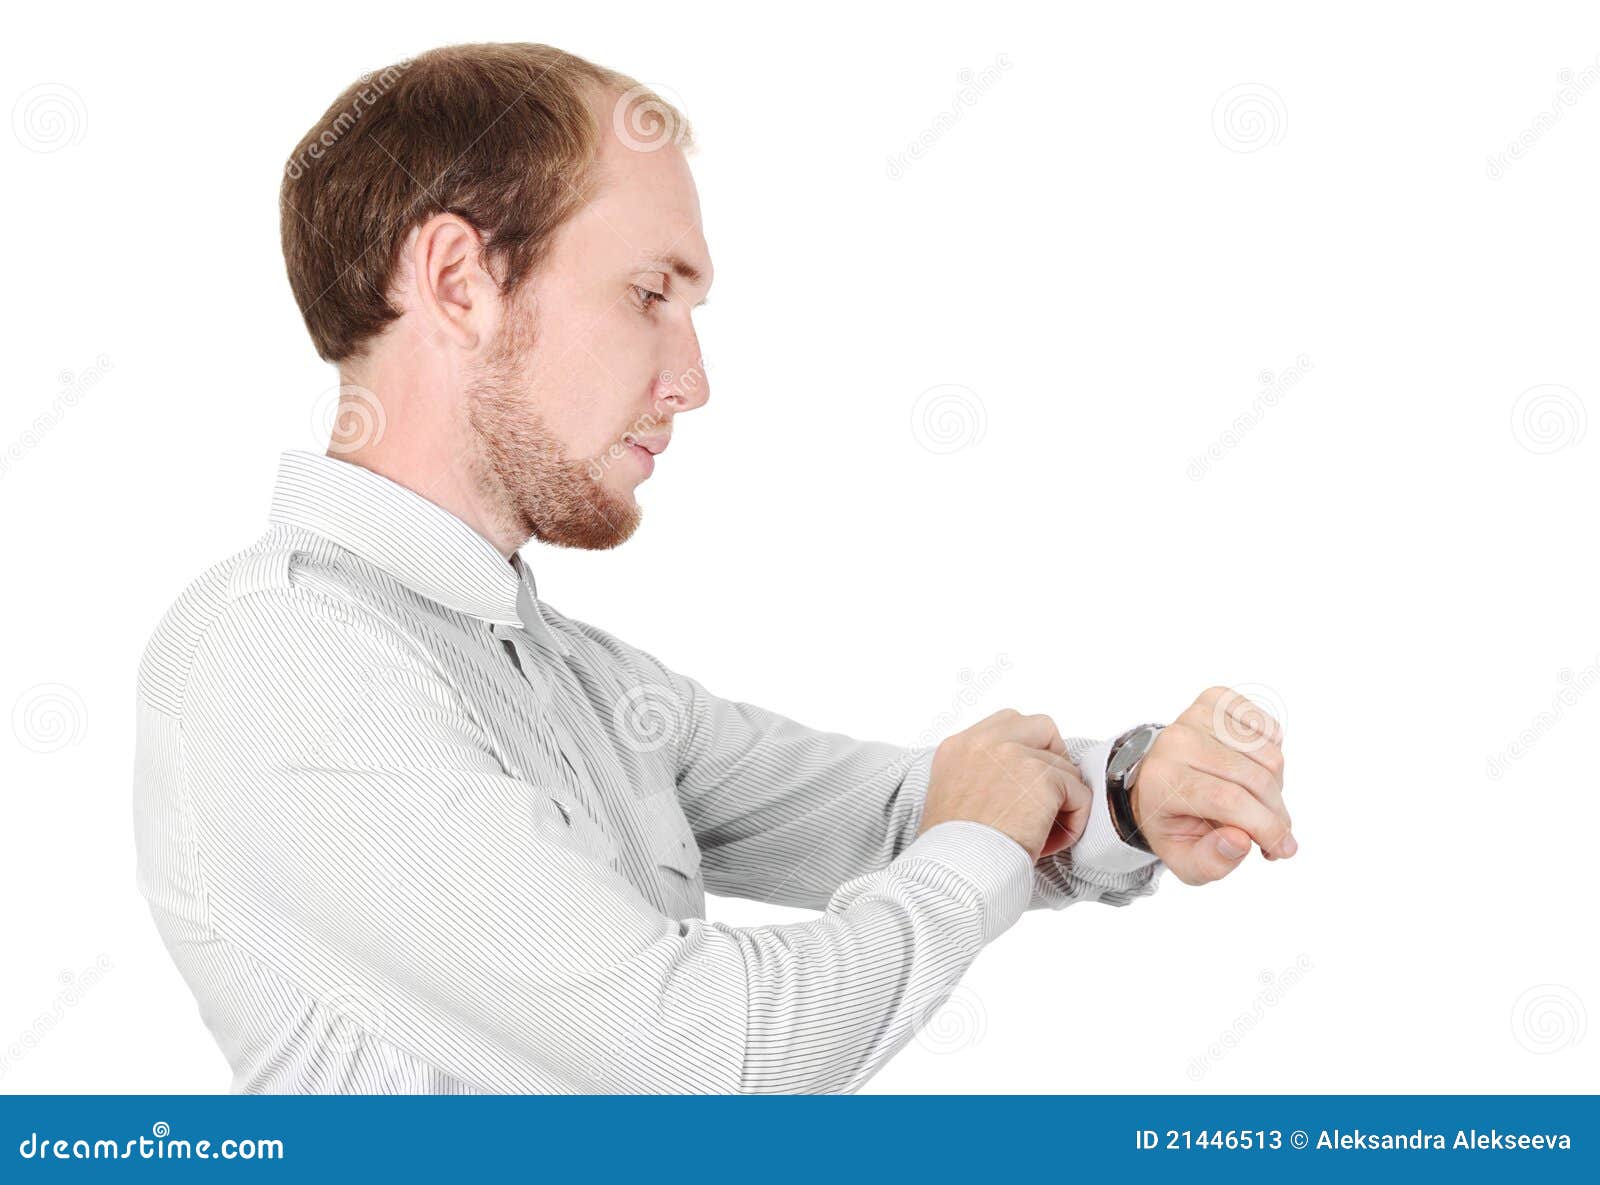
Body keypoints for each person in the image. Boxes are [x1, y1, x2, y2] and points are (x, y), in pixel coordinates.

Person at [132, 42, 1295, 1094]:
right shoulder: (280, 657)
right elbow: (705, 1059)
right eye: (647, 295)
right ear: (455, 280)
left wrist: (1135, 794)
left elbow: (891, 811)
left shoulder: (559, 671)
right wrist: (979, 847)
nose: (691, 381)